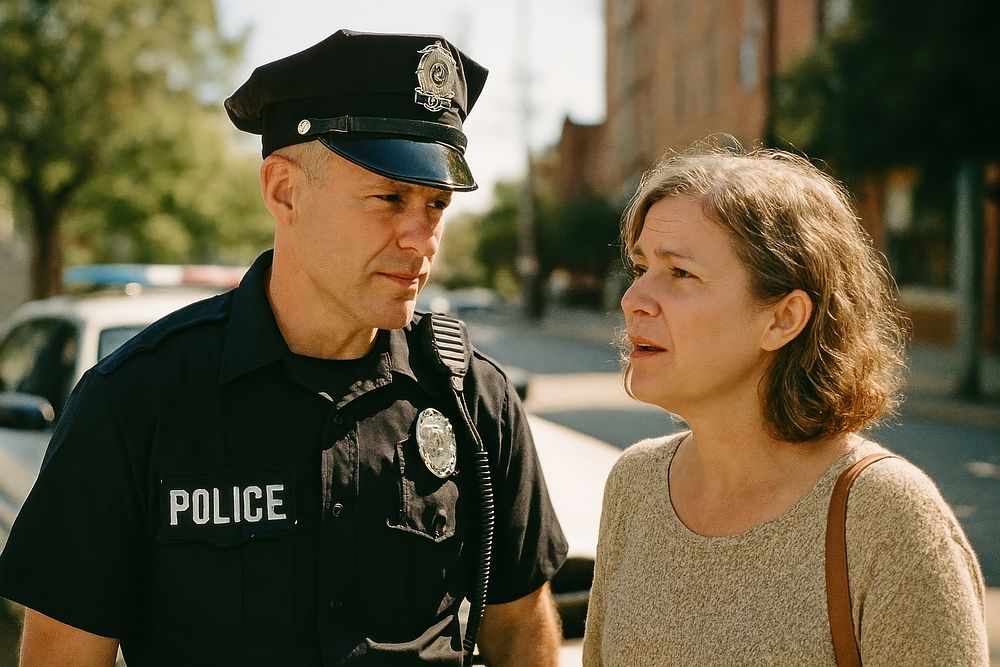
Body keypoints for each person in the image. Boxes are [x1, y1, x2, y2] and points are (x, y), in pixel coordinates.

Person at [0, 29, 567, 666]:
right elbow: (64, 654)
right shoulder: (137, 399)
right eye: (390, 198)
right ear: (283, 189)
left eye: (436, 204)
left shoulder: (470, 397)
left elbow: (521, 629)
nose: (423, 238)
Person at [582, 143, 989, 665]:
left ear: (782, 319)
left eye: (679, 273)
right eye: (640, 267)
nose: (632, 298)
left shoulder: (889, 517)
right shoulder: (634, 485)